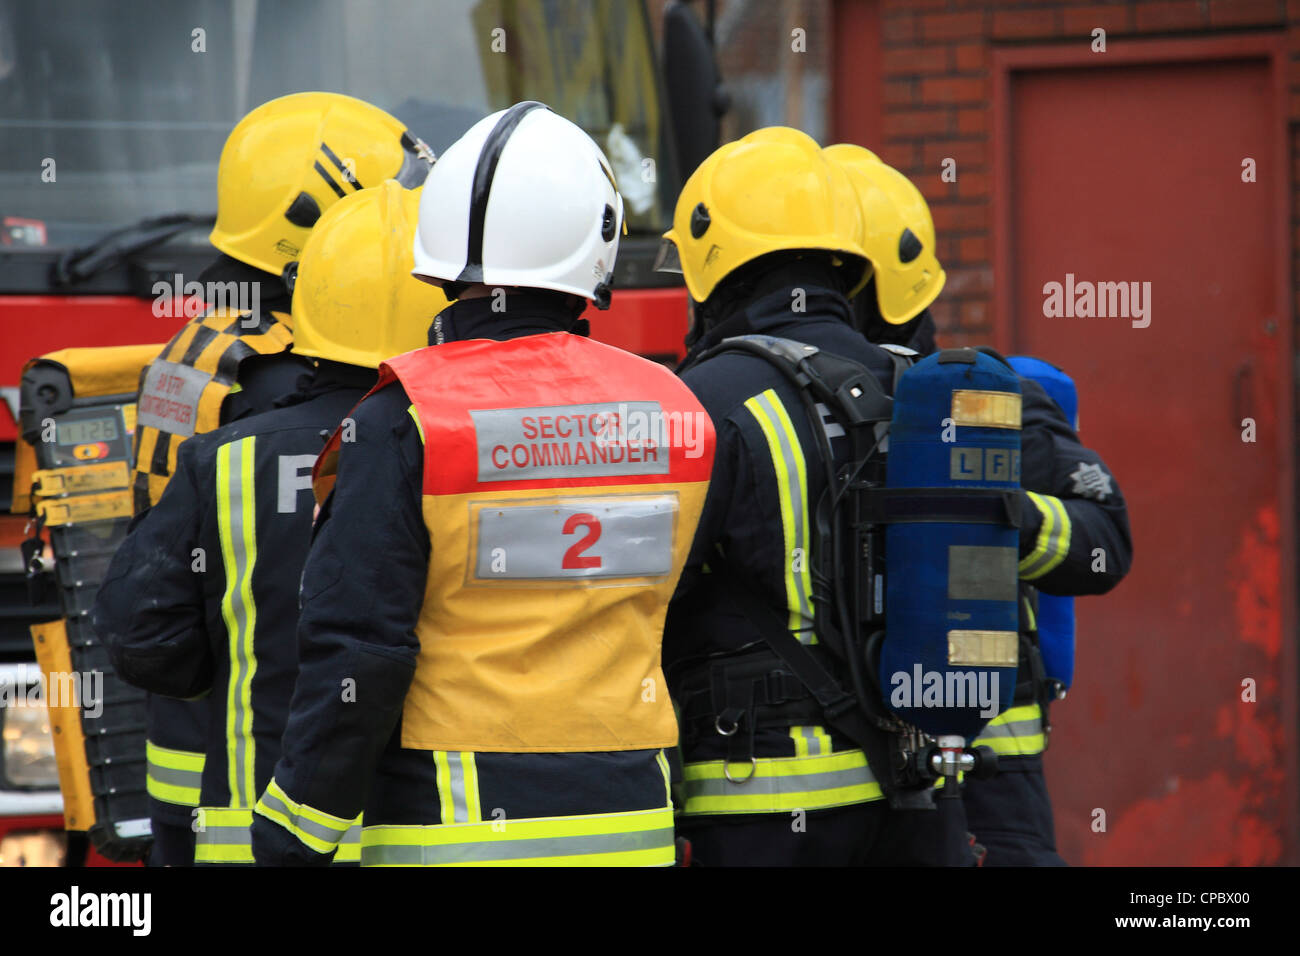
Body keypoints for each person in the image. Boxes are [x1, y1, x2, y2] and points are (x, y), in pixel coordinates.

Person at [250, 102, 715, 867]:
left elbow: (359, 647)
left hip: (452, 827)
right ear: (595, 242)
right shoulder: (674, 408)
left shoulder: (407, 415)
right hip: (632, 822)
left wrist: (298, 827)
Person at [95, 181, 445, 865]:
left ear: (307, 303)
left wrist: (246, 662)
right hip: (430, 836)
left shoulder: (224, 460)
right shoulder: (471, 451)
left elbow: (141, 638)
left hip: (249, 838)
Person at [657, 127, 972, 866]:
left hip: (759, 804)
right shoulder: (921, 389)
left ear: (711, 255)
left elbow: (647, 605)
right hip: (919, 796)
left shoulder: (700, 401)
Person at [827, 144, 1134, 865]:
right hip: (848, 776)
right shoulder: (788, 410)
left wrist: (1000, 521)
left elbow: (1105, 540)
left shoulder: (980, 405)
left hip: (990, 780)